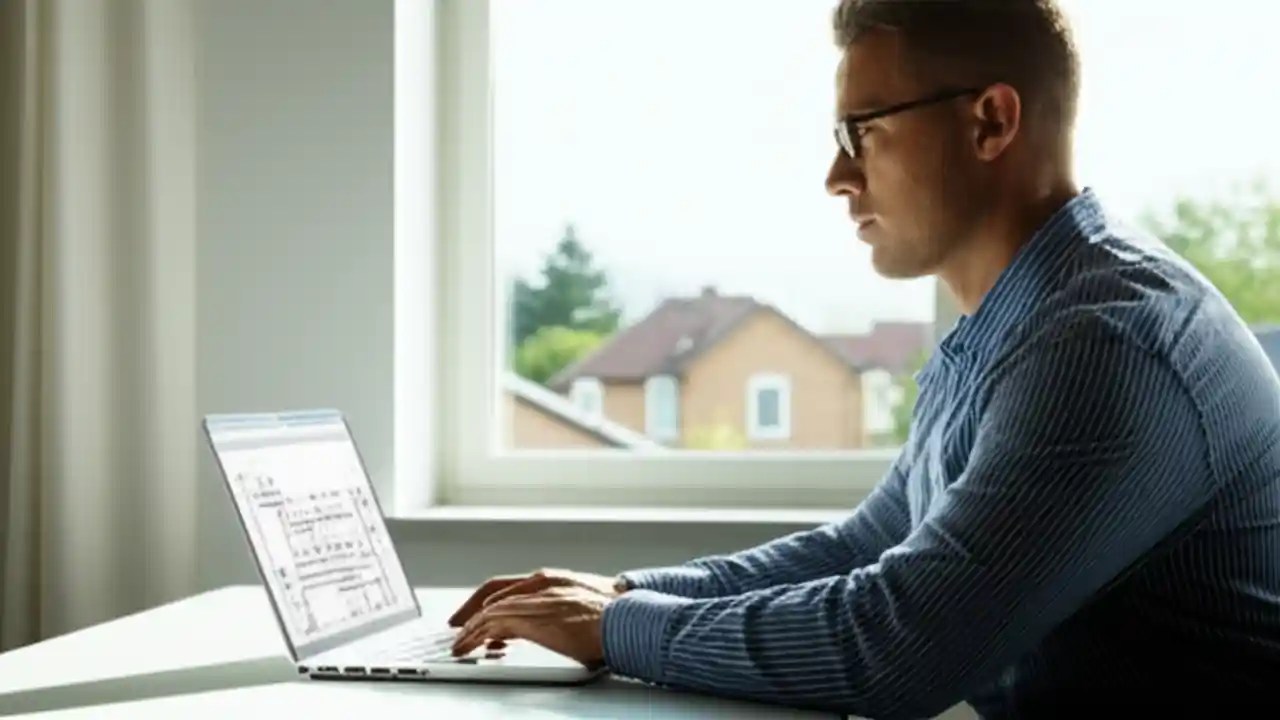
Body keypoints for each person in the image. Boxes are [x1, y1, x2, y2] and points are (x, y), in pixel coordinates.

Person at [450, 0, 1280, 717]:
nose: (837, 174)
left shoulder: (1105, 343)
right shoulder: (1023, 320)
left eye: (864, 131)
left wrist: (613, 629)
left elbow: (902, 644)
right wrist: (618, 596)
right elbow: (869, 544)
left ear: (990, 120)